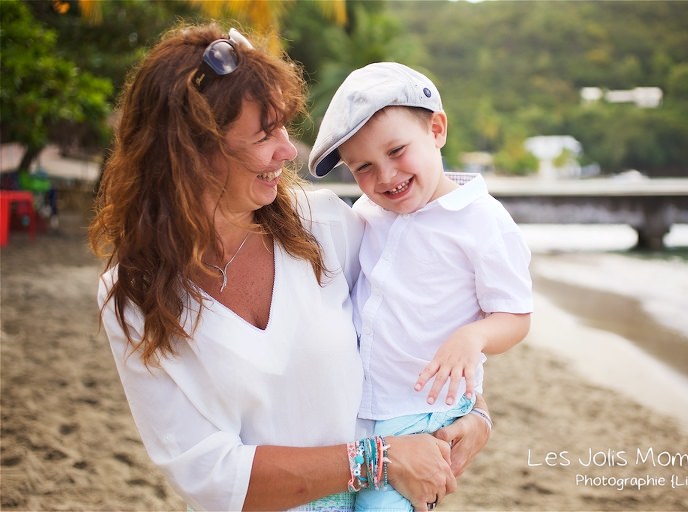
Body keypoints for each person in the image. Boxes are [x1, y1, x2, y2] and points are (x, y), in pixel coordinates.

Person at [88, 25, 493, 512]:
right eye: (264, 135)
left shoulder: (325, 225)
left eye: (283, 126)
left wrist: (474, 414)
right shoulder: (135, 295)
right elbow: (209, 474)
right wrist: (379, 460)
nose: (287, 149)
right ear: (190, 154)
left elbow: (421, 318)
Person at [309, 62, 533, 511]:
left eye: (396, 150)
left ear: (437, 129)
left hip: (421, 411)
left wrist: (474, 336)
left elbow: (516, 316)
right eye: (363, 167)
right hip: (354, 410)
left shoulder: (483, 221)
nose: (386, 176)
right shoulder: (368, 216)